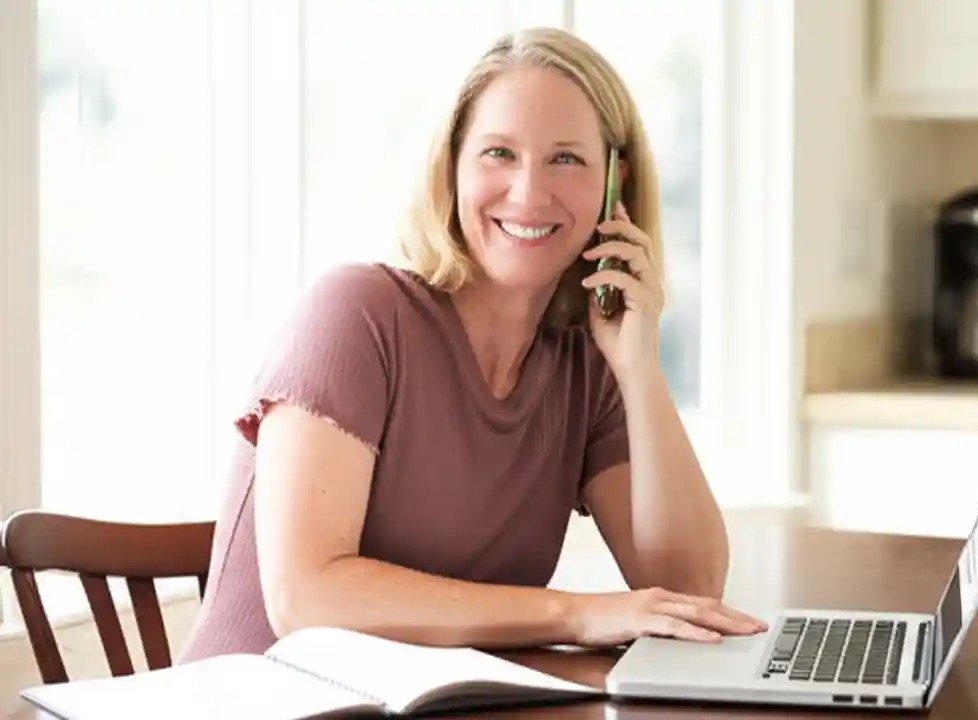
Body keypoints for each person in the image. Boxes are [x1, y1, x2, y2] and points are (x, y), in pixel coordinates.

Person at [179, 26, 766, 662]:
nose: (528, 191)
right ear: (452, 165)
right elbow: (307, 598)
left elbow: (690, 593)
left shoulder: (586, 368)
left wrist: (640, 370)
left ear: (614, 184)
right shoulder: (356, 316)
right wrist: (576, 614)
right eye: (498, 154)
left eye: (566, 158)